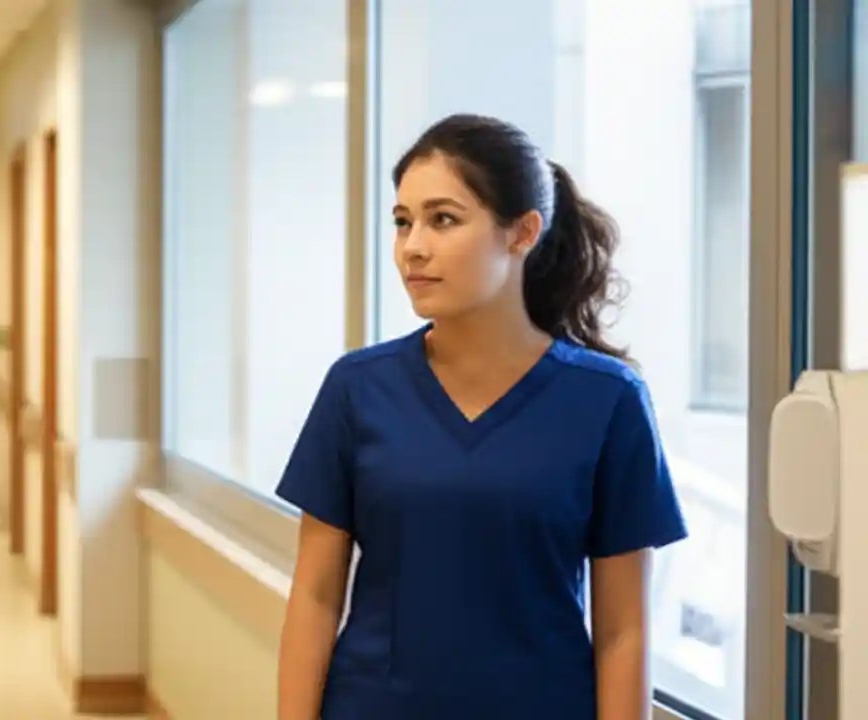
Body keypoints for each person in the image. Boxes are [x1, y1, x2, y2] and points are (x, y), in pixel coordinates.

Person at [276, 114, 688, 719]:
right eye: (402, 222)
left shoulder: (607, 401)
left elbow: (624, 630)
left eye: (444, 219)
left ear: (522, 233)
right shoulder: (358, 389)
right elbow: (313, 596)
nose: (413, 246)